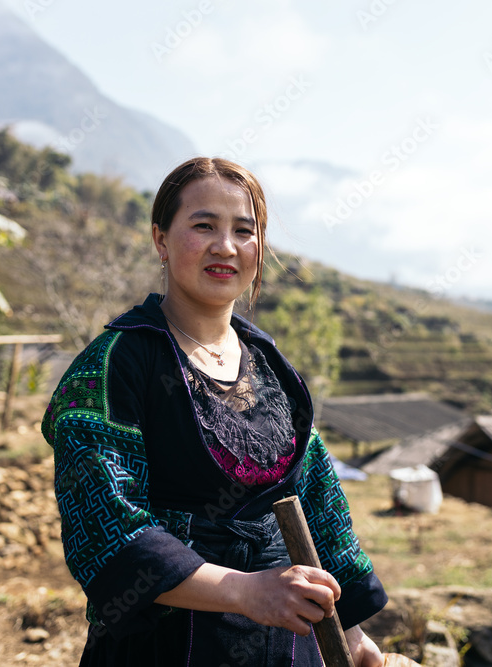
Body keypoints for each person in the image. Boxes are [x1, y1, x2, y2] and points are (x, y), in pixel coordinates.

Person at [41, 157, 388, 666]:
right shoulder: (117, 364)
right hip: (167, 643)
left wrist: (350, 630)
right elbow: (107, 529)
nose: (225, 246)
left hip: (287, 641)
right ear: (160, 238)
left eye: (244, 231)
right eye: (203, 225)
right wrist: (246, 591)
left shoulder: (269, 364)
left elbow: (318, 502)